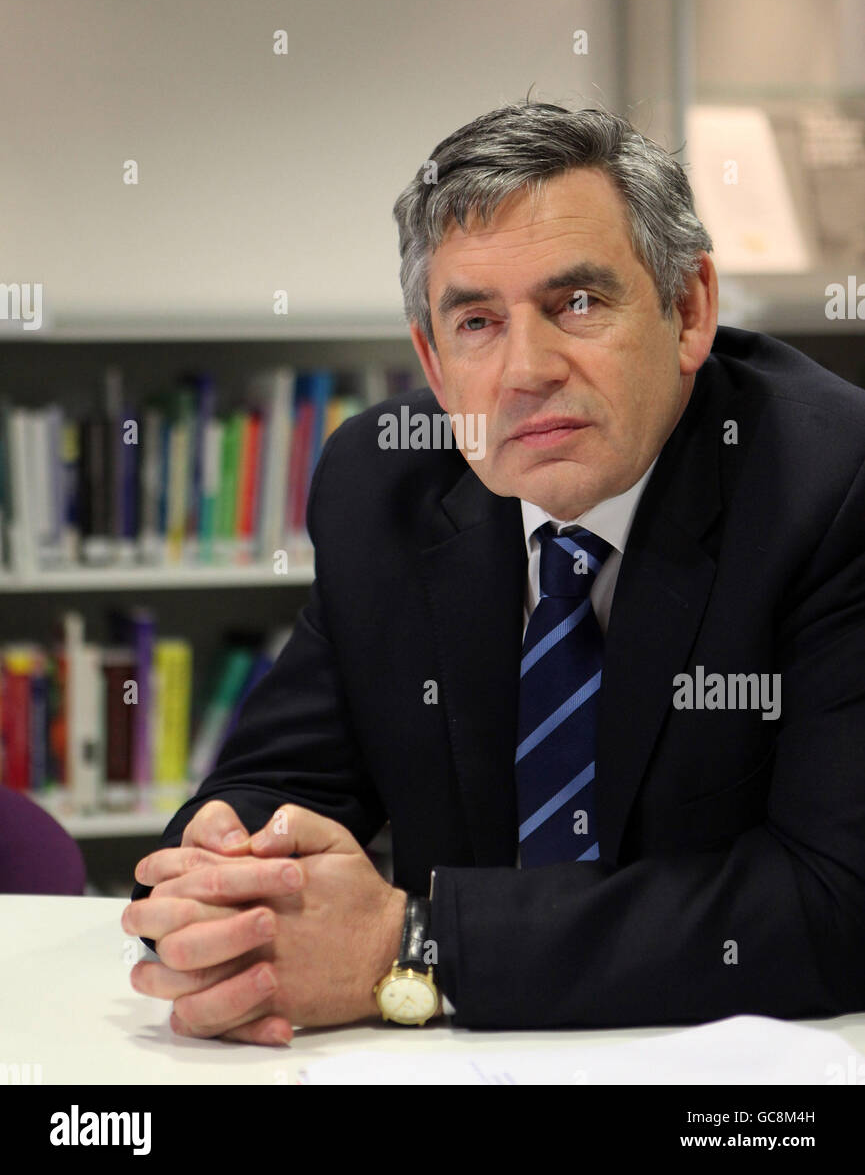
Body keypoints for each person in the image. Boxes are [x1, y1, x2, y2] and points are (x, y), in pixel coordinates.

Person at [123, 100, 865, 1047]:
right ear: (431, 363)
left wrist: (417, 947)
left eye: (577, 305)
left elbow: (833, 902)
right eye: (475, 321)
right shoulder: (382, 487)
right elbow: (281, 781)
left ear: (688, 311)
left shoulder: (830, 484)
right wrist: (221, 887)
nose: (526, 369)